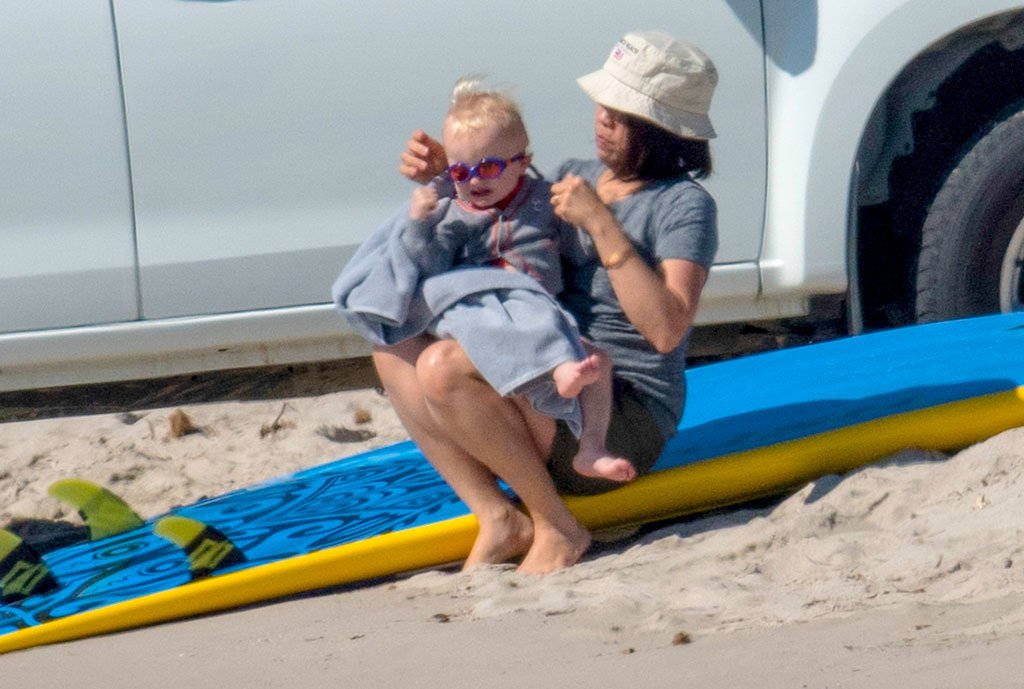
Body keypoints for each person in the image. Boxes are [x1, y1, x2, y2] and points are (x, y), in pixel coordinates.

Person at [381, 31, 719, 574]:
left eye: (622, 113)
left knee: (443, 369)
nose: (603, 120)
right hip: (547, 368)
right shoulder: (572, 174)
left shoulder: (683, 205)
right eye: (603, 107)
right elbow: (493, 199)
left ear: (663, 131)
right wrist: (454, 170)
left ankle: (556, 523)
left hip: (618, 413)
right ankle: (499, 517)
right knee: (392, 343)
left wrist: (603, 226)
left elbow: (667, 329)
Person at [334, 76, 635, 483]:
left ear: (522, 163)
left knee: (599, 362)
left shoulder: (545, 199)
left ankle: (592, 448)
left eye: (489, 167)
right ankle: (557, 374)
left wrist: (593, 223)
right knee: (526, 330)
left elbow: (580, 252)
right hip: (487, 303)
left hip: (539, 308)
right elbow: (431, 263)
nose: (475, 181)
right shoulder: (455, 211)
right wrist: (420, 223)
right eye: (460, 170)